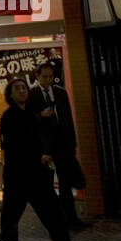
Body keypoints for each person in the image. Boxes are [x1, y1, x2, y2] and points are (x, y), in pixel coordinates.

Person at [0, 77, 90, 241]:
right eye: (17, 88)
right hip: (17, 176)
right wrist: (37, 156)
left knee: (52, 209)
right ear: (10, 94)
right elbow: (15, 147)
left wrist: (44, 154)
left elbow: (37, 140)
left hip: (36, 174)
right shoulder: (10, 116)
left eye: (24, 87)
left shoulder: (30, 113)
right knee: (11, 215)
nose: (22, 91)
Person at [27, 63, 87, 231]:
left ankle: (71, 217)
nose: (48, 80)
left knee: (66, 183)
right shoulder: (32, 96)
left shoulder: (60, 93)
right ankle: (54, 219)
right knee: (47, 185)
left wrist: (72, 143)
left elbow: (68, 119)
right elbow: (29, 122)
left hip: (63, 145)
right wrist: (41, 115)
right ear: (37, 77)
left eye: (50, 77)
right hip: (45, 148)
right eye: (44, 77)